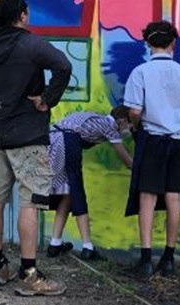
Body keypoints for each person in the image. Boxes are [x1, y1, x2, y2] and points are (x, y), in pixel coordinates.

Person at [0, 0, 72, 297]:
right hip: (30, 138)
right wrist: (47, 100)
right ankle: (29, 274)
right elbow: (63, 66)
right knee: (29, 205)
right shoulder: (31, 44)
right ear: (22, 15)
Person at [122, 20, 180, 278]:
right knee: (174, 197)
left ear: (148, 43)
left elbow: (134, 111)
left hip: (151, 138)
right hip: (178, 140)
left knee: (147, 197)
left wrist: (136, 126)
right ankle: (169, 257)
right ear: (173, 43)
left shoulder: (140, 73)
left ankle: (146, 258)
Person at [45, 107, 134, 261]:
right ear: (122, 121)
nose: (130, 131)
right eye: (130, 126)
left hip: (52, 143)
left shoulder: (95, 117)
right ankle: (88, 247)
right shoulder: (109, 126)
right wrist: (142, 170)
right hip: (67, 143)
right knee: (77, 192)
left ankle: (55, 243)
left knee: (67, 194)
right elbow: (126, 159)